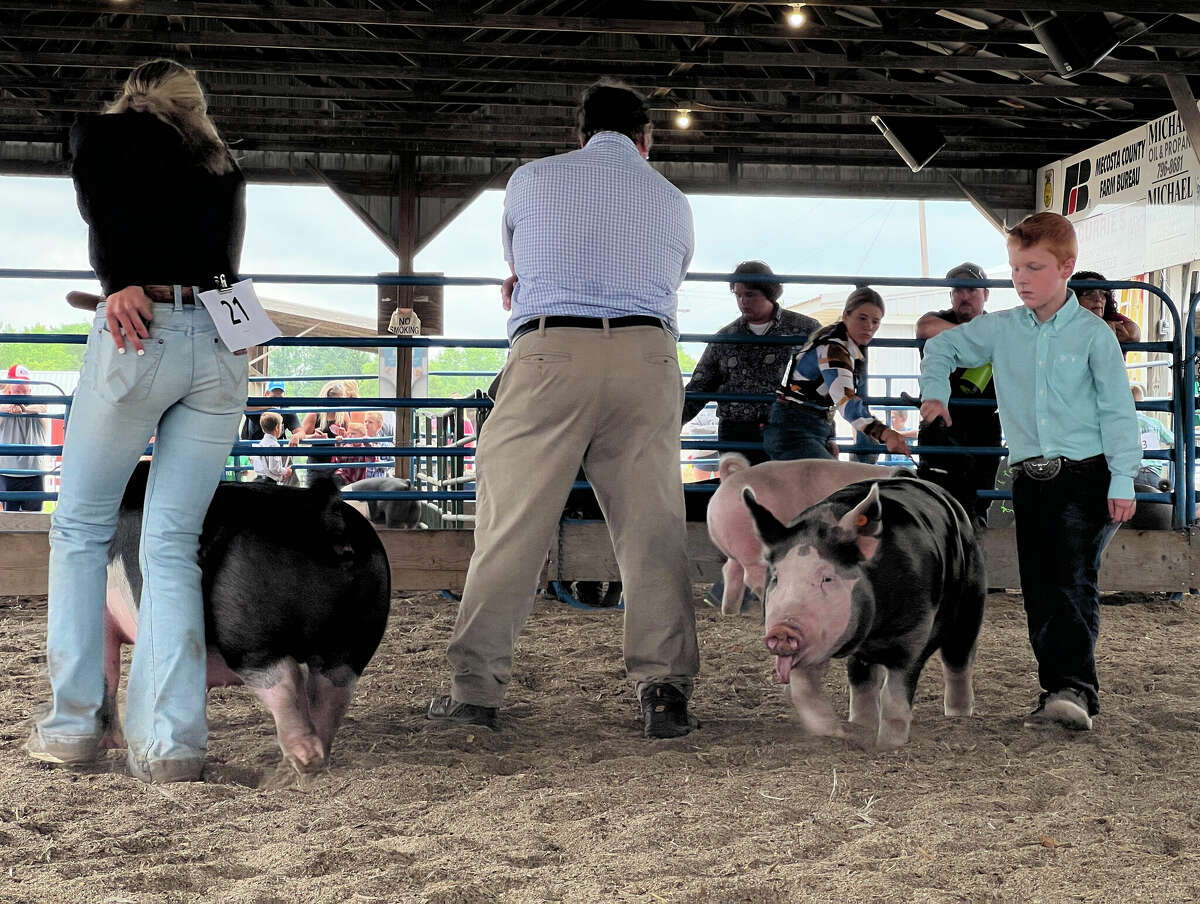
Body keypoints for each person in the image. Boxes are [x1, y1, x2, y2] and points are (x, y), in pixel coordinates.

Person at [428, 80, 700, 739]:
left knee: (512, 527)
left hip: (551, 351)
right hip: (646, 354)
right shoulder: (671, 197)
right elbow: (670, 276)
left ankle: (476, 693)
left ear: (579, 134)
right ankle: (664, 690)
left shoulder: (532, 179)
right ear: (646, 139)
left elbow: (521, 264)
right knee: (653, 529)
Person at [26, 59, 248, 783]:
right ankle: (172, 747)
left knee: (80, 528)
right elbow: (225, 265)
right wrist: (242, 332)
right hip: (220, 340)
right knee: (172, 544)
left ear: (131, 96)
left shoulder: (102, 134)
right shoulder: (222, 164)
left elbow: (104, 208)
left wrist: (117, 280)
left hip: (138, 332)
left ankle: (73, 728)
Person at [920, 211, 1139, 732]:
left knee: (1070, 579)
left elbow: (1117, 410)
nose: (1021, 278)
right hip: (1029, 478)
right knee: (1041, 585)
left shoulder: (1094, 335)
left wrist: (1123, 477)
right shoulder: (1001, 329)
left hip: (1087, 474)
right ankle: (1061, 689)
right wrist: (936, 390)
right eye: (1016, 267)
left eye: (1034, 267)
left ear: (1066, 268)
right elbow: (942, 345)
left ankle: (1072, 689)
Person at [681, 261, 819, 465]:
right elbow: (698, 388)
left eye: (750, 294)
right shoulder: (724, 338)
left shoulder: (806, 330)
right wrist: (667, 425)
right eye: (738, 295)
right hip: (736, 432)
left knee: (786, 485)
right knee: (738, 485)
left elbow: (825, 384)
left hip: (788, 429)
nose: (743, 301)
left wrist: (827, 436)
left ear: (769, 292)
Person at [764, 287, 911, 461]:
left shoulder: (834, 339)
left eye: (875, 321)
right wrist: (886, 434)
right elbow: (846, 401)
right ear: (846, 316)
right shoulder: (834, 349)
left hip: (799, 426)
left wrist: (829, 435)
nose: (869, 326)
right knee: (827, 477)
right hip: (795, 430)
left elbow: (828, 397)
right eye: (862, 318)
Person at [913, 262, 1003, 528]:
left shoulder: (997, 325)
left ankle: (973, 541)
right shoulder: (939, 319)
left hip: (984, 423)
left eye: (971, 290)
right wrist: (982, 339)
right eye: (957, 290)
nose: (964, 296)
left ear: (986, 294)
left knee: (978, 499)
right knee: (933, 495)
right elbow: (924, 327)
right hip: (941, 420)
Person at [0, 364, 50, 512]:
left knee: (34, 519)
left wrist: (24, 409)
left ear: (30, 389)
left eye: (24, 385)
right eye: (16, 385)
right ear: (9, 389)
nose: (20, 388)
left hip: (35, 472)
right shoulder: (3, 407)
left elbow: (42, 408)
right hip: (7, 473)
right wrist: (8, 408)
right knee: (10, 519)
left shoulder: (38, 404)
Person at [1072, 270, 1141, 344]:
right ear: (1074, 298)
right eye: (1089, 293)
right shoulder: (1066, 321)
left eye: (1103, 294)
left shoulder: (1110, 318)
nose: (1098, 298)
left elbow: (1133, 334)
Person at [250, 411, 293, 485]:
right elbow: (274, 468)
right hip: (268, 482)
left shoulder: (261, 443)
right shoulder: (274, 445)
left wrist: (280, 477)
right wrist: (285, 471)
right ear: (277, 428)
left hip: (259, 479)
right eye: (281, 426)